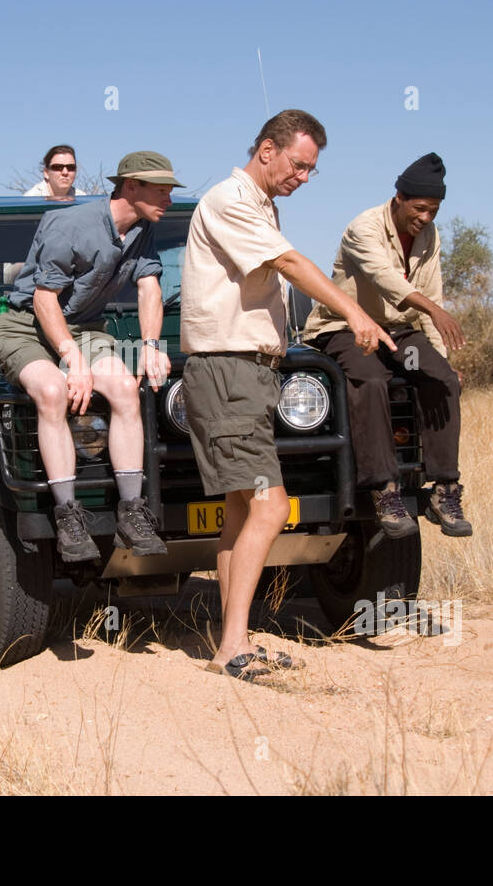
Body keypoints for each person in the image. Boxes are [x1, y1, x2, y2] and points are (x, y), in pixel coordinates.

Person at [179, 110, 394, 681]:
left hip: (248, 372)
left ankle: (234, 639)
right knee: (272, 506)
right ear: (268, 149)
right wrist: (353, 310)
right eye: (299, 164)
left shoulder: (260, 204)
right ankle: (231, 647)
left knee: (239, 513)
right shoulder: (231, 199)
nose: (303, 176)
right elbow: (290, 263)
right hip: (229, 370)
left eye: (311, 170)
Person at [0, 151, 180, 561]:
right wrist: (73, 362)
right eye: (161, 190)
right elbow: (44, 301)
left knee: (125, 390)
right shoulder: (70, 224)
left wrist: (150, 346)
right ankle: (67, 516)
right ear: (131, 187)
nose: (168, 198)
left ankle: (131, 513)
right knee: (52, 391)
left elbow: (149, 287)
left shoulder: (143, 229)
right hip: (26, 325)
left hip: (84, 326)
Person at [302, 153, 471, 539]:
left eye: (434, 210)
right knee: (370, 379)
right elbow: (385, 279)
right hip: (346, 326)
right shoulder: (363, 227)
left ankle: (444, 489)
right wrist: (433, 309)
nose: (426, 218)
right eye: (420, 208)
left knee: (443, 380)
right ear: (399, 198)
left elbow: (432, 294)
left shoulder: (430, 236)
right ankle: (384, 490)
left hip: (396, 330)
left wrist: (441, 360)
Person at [23, 145, 91, 199]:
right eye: (58, 167)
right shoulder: (31, 199)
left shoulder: (82, 199)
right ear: (46, 173)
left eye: (70, 167)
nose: (65, 172)